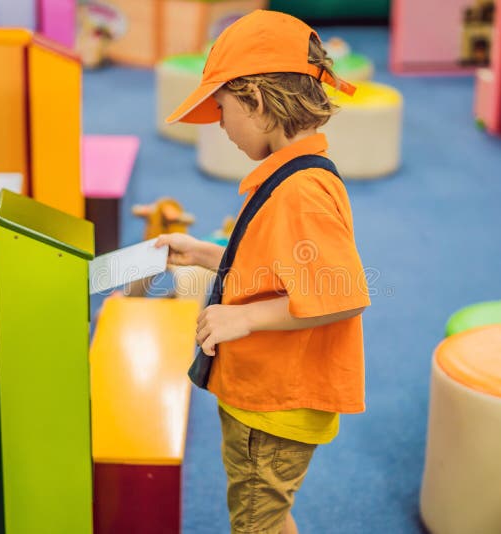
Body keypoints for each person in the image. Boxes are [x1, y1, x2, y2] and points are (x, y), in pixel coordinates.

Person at [155, 10, 370, 534]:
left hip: (274, 407)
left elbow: (340, 295)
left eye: (223, 108)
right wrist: (208, 256)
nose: (221, 123)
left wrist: (241, 320)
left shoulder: (302, 190)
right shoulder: (290, 175)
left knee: (257, 522)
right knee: (267, 515)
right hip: (266, 396)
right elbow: (278, 265)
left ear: (255, 99)